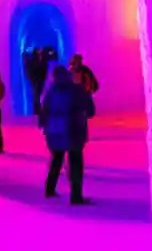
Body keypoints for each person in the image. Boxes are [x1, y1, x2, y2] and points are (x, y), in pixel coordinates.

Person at [38, 65, 95, 205]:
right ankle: (76, 196)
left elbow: (44, 112)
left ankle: (50, 189)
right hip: (73, 130)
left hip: (55, 130)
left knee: (56, 159)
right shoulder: (77, 91)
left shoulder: (50, 92)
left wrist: (45, 126)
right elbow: (90, 110)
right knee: (75, 162)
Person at [24, 47, 49, 115]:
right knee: (36, 94)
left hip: (38, 79)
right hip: (36, 79)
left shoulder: (41, 60)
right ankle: (37, 110)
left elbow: (44, 69)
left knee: (38, 94)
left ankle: (38, 110)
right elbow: (39, 69)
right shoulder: (34, 60)